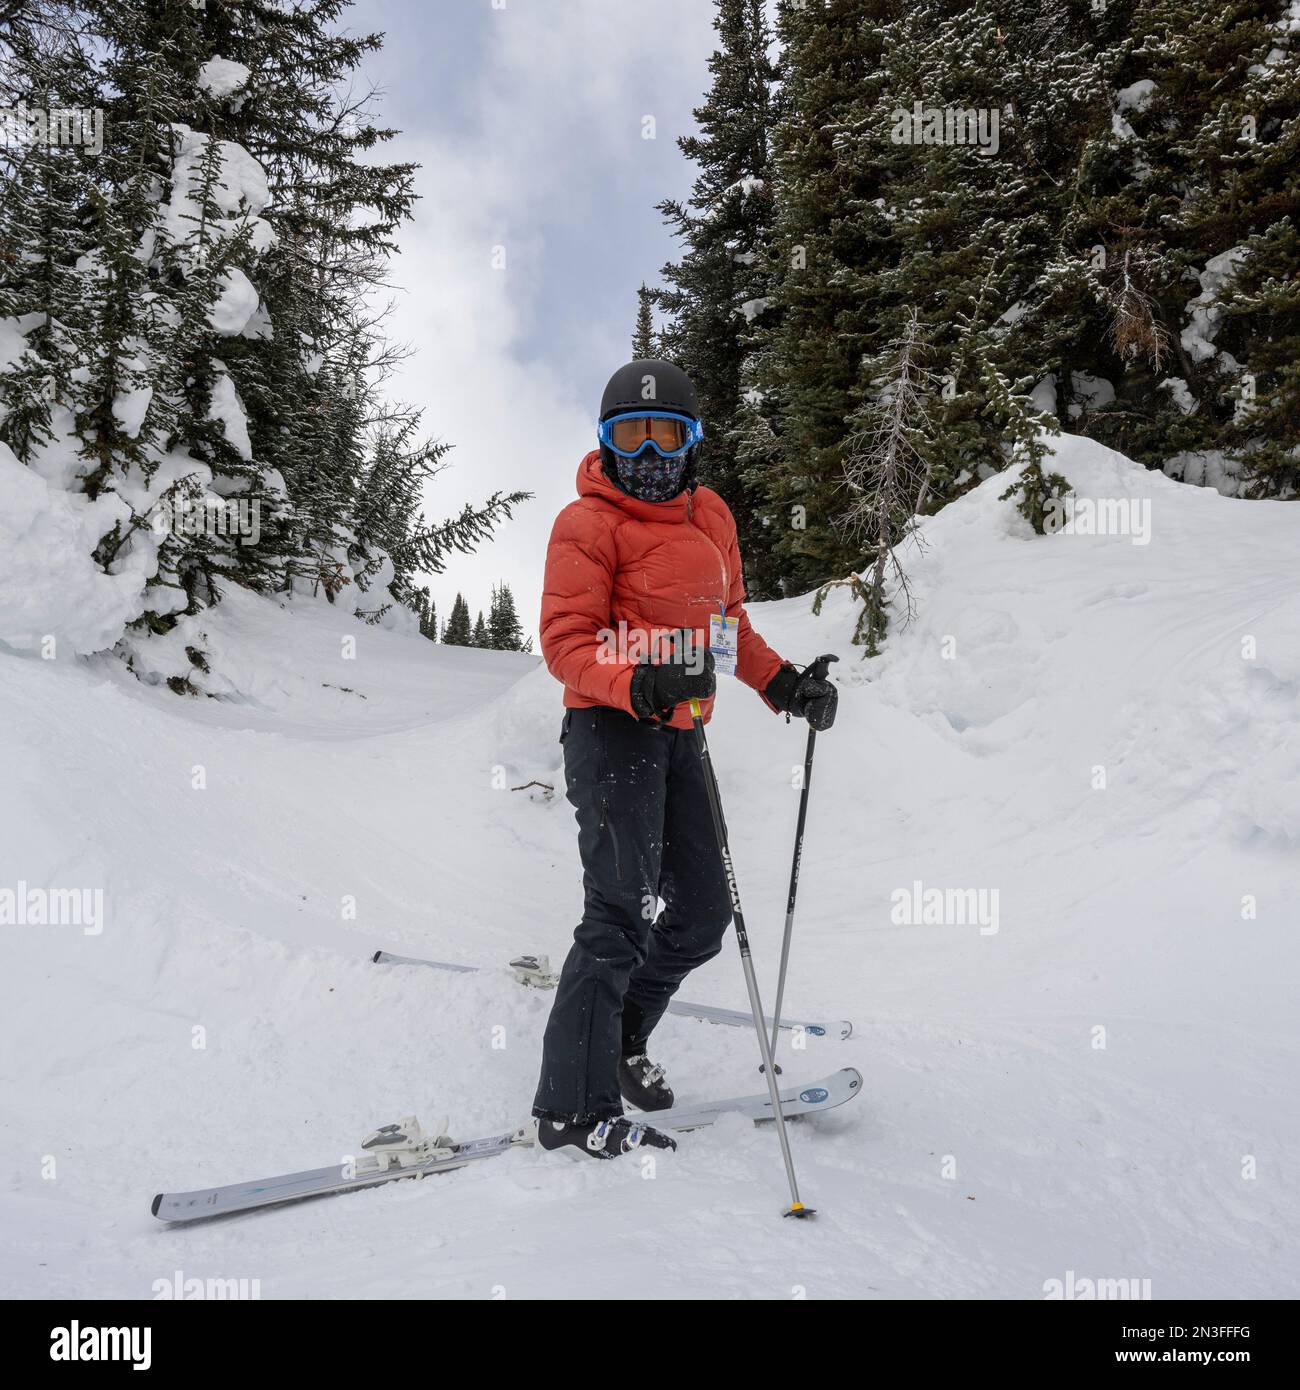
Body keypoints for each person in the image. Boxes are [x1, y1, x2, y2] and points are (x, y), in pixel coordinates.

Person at [532, 358, 838, 1160]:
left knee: (703, 911)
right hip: (611, 730)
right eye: (629, 435)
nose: (649, 452)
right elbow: (565, 645)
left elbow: (728, 624)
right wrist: (638, 683)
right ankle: (571, 1108)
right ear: (605, 443)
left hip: (681, 734)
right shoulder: (584, 523)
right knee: (618, 915)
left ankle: (623, 1031)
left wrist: (784, 684)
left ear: (693, 440)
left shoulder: (712, 517)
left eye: (667, 433)